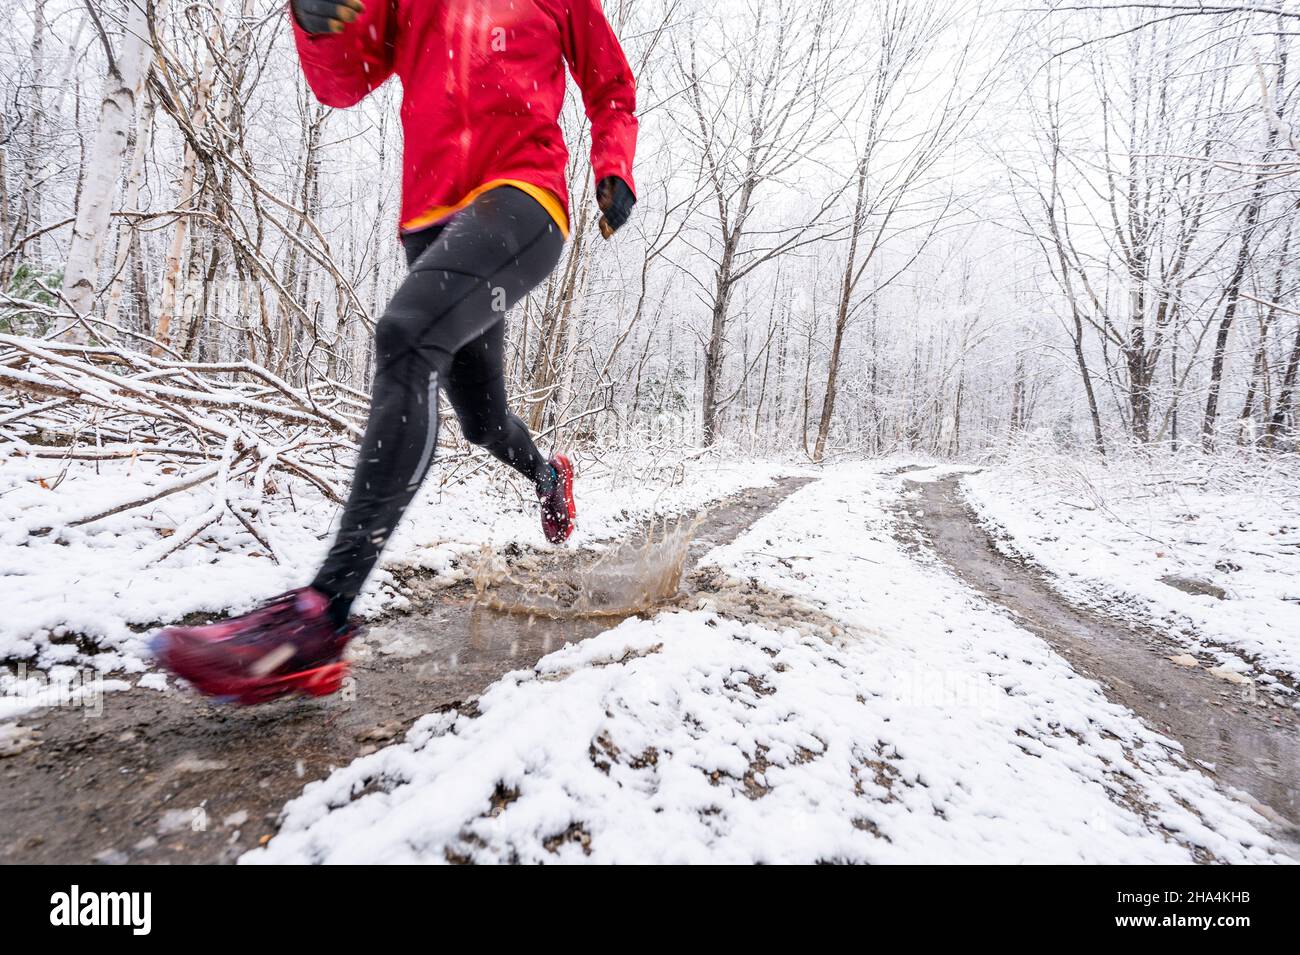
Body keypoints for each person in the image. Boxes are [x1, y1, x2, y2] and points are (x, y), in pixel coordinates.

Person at [150, 0, 637, 705]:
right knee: (482, 419)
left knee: (407, 335)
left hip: (524, 197)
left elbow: (610, 86)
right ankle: (546, 474)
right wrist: (318, 23)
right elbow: (342, 82)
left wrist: (614, 161)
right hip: (432, 219)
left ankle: (320, 620)